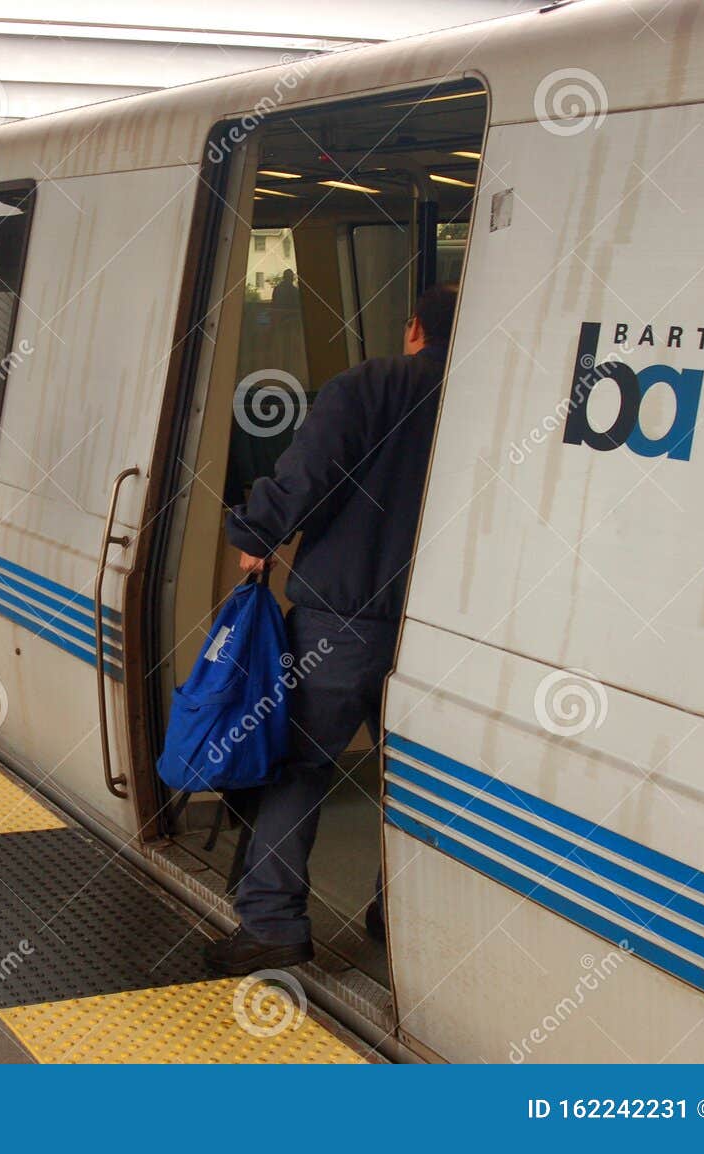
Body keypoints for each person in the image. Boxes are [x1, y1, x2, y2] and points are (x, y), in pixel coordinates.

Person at [206, 282, 459, 976]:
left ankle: (272, 924)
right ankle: (396, 909)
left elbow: (307, 471)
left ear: (413, 329)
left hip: (341, 615)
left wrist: (256, 533)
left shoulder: (368, 385)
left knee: (299, 767)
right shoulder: (488, 401)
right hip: (440, 625)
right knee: (411, 778)